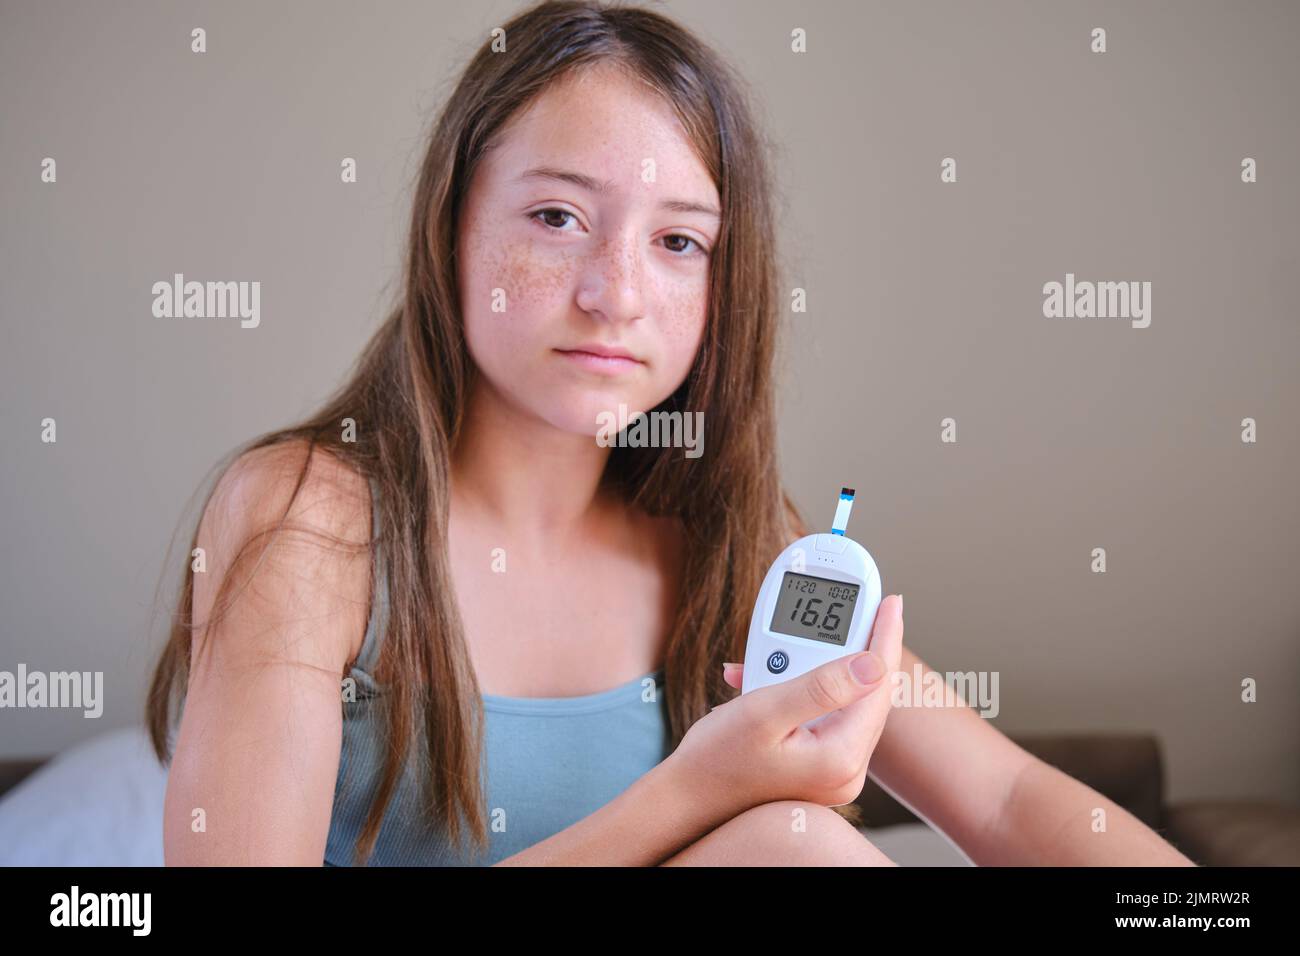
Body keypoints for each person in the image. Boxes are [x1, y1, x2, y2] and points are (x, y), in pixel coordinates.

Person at [146, 0, 1194, 867]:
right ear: (450, 225)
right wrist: (697, 789)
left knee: (798, 849)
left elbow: (1007, 799)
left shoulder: (727, 537)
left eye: (680, 241)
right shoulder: (310, 518)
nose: (616, 294)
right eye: (557, 218)